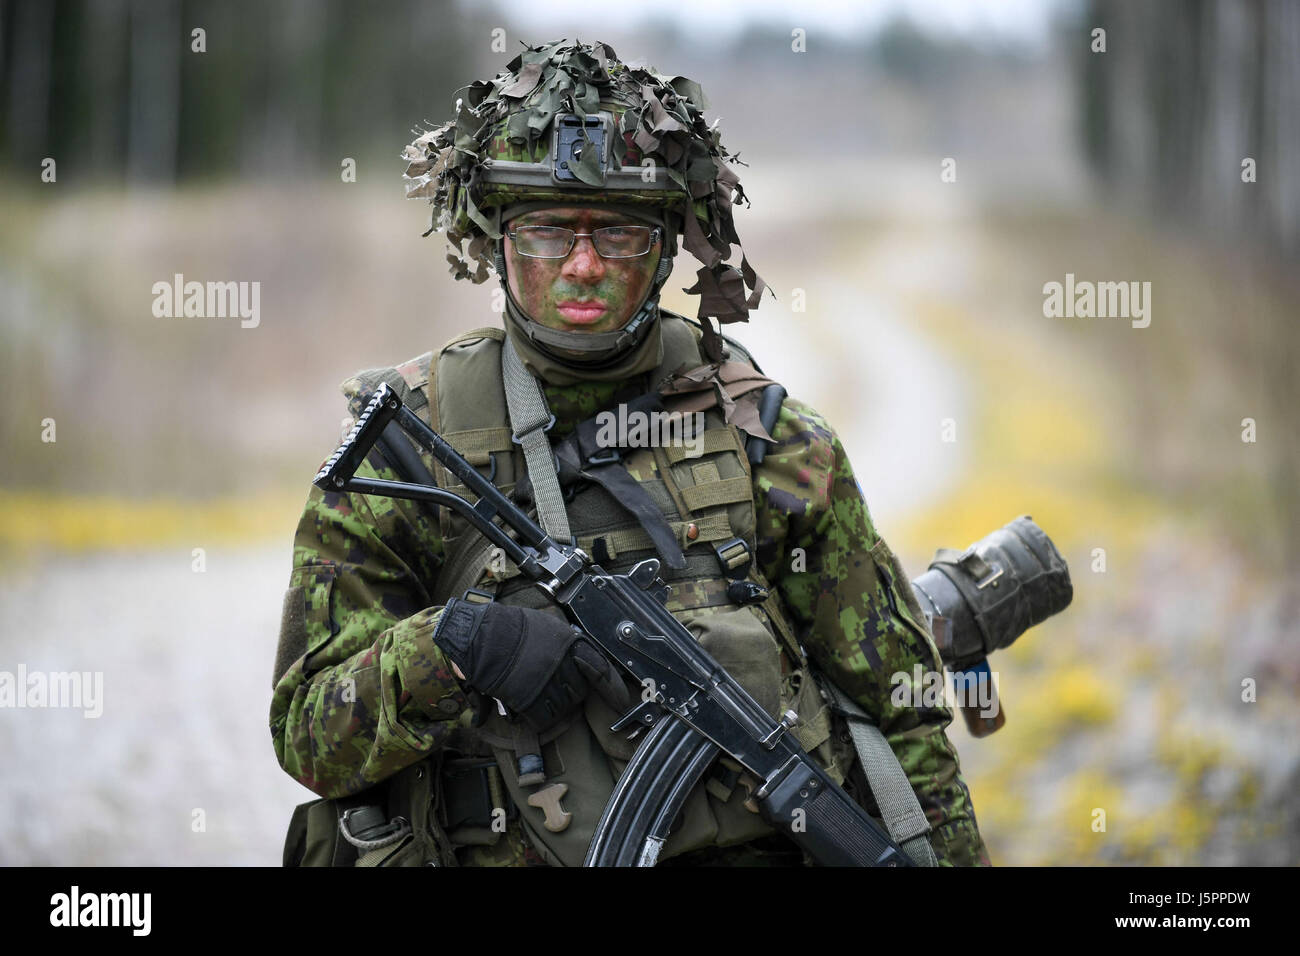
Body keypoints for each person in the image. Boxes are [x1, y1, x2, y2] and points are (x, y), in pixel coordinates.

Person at [270, 39, 990, 867]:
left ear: (663, 253)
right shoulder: (408, 443)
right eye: (547, 233)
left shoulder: (769, 439)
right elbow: (306, 735)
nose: (581, 267)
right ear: (498, 242)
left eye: (616, 235)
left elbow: (904, 716)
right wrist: (456, 649)